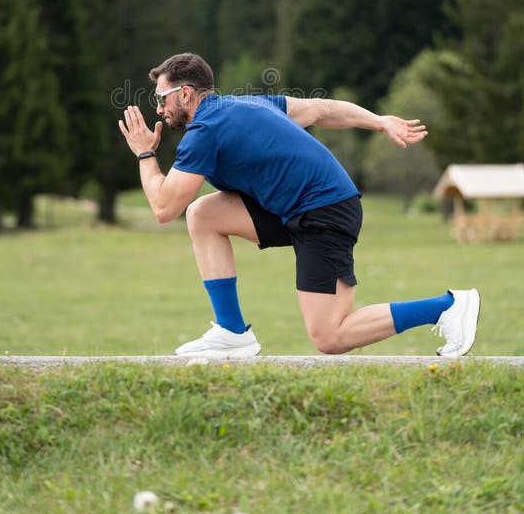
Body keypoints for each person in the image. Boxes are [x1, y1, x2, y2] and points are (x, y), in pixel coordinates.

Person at [118, 52, 480, 358]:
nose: (159, 108)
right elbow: (320, 110)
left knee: (329, 336)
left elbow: (164, 209)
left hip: (325, 210)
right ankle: (232, 333)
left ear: (185, 94)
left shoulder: (205, 131)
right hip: (298, 209)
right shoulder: (247, 104)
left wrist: (145, 152)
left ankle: (447, 308)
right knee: (203, 214)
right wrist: (379, 121)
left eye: (161, 97)